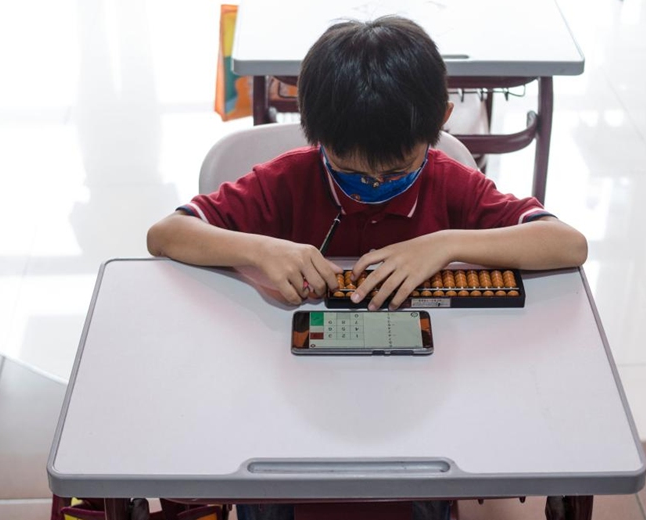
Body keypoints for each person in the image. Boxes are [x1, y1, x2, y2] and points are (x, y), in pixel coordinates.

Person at [147, 16, 587, 519]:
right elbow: (166, 235)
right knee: (263, 479)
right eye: (350, 169)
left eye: (396, 170)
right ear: (314, 133)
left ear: (440, 120)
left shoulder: (451, 184)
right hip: (295, 397)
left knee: (431, 471)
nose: (374, 184)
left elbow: (566, 244)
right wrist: (259, 249)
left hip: (421, 397)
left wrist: (444, 245)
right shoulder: (288, 180)